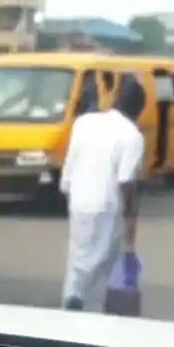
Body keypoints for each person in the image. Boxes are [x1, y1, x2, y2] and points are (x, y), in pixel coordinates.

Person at [59, 77, 145, 312]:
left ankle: (72, 299)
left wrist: (70, 191)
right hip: (106, 204)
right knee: (105, 261)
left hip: (78, 200)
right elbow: (126, 181)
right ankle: (93, 313)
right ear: (138, 109)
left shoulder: (84, 123)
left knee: (77, 257)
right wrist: (131, 219)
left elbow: (70, 167)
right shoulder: (132, 135)